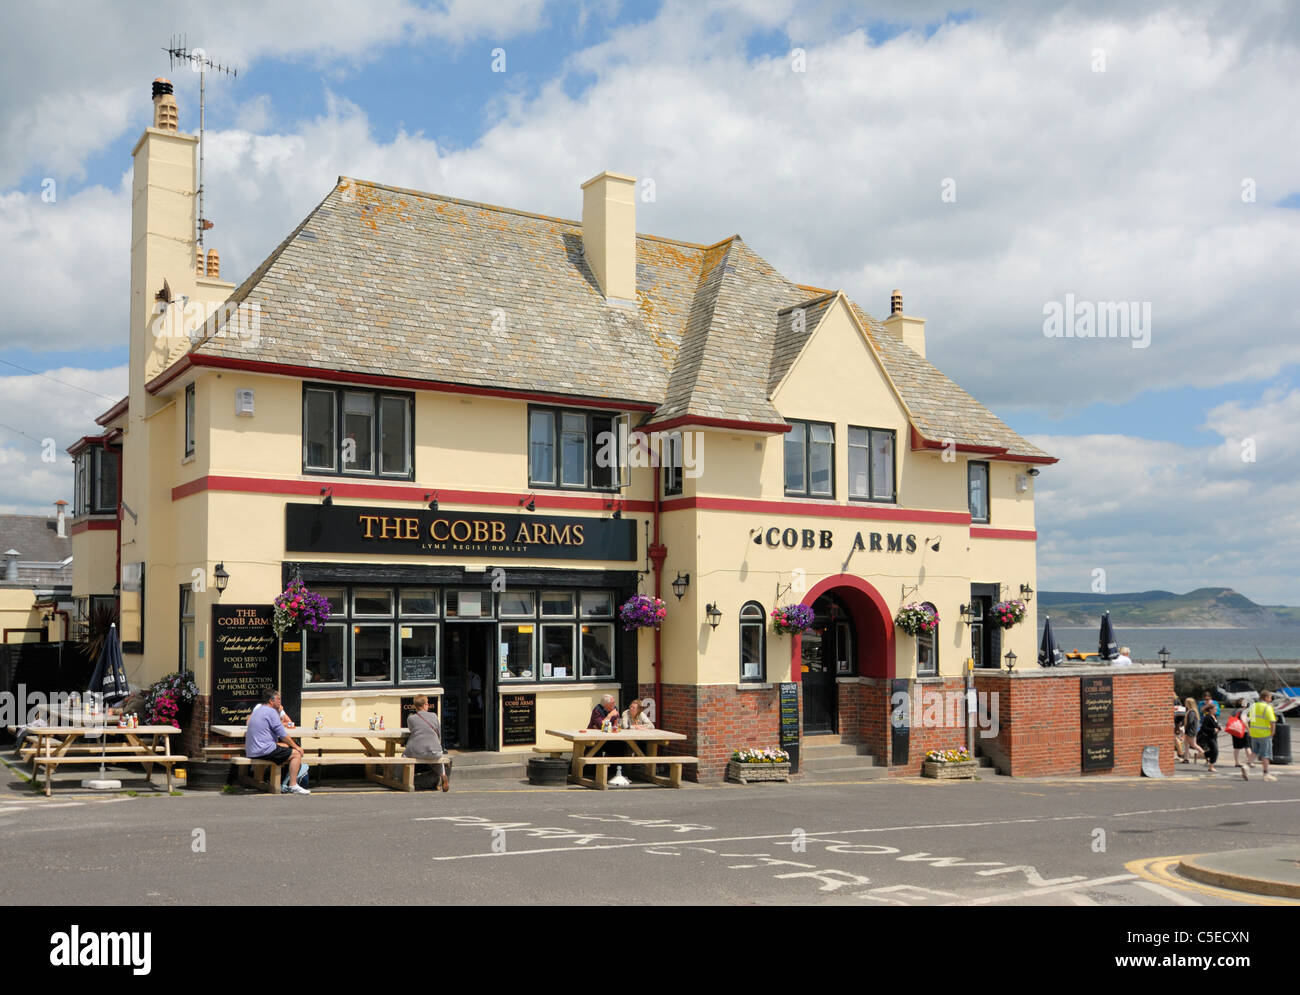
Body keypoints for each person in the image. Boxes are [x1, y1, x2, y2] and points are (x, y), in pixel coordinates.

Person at [245, 688, 309, 794]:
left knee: (285, 746)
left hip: (252, 749)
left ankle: (284, 779)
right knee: (296, 754)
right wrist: (297, 747)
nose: (280, 701)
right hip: (263, 750)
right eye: (278, 699)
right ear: (271, 701)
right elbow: (283, 734)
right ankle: (293, 785)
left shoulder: (258, 710)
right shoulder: (271, 712)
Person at [404, 694, 449, 792]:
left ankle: (398, 778)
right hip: (436, 751)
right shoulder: (434, 716)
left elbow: (412, 731)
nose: (428, 706)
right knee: (435, 756)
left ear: (415, 706)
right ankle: (443, 775)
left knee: (404, 756)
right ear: (425, 705)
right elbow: (439, 733)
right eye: (428, 704)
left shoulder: (411, 718)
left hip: (419, 751)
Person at [1242, 690, 1278, 782]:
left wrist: (1250, 730)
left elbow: (1249, 719)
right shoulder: (1267, 707)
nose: (1270, 700)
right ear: (1266, 698)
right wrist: (1272, 732)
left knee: (1254, 751)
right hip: (1264, 734)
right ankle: (1266, 774)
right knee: (1265, 754)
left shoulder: (1253, 706)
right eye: (1270, 698)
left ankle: (1246, 765)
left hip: (1254, 733)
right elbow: (1272, 721)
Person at [1195, 700, 1220, 774]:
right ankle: (1211, 767)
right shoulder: (1207, 717)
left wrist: (1218, 728)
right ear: (1210, 710)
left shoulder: (1214, 716)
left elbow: (1216, 725)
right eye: (1215, 709)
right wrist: (1213, 730)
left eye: (1216, 709)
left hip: (1214, 737)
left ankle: (1200, 755)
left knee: (1213, 751)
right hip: (1208, 737)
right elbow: (1204, 728)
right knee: (1215, 751)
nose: (1216, 710)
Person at [1229, 705, 1255, 771]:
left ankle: (1237, 762)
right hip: (1243, 731)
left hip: (1235, 730)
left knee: (1236, 747)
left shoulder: (1234, 711)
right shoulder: (1244, 711)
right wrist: (1249, 730)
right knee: (1247, 746)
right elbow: (1244, 722)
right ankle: (1250, 762)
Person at [1181, 697, 1204, 764]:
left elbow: (1189, 722)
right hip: (1191, 730)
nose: (1185, 704)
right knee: (1186, 744)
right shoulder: (1192, 711)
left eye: (1186, 702)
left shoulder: (1191, 712)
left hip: (1190, 731)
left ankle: (1204, 753)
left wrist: (1186, 731)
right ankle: (1186, 758)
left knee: (1193, 744)